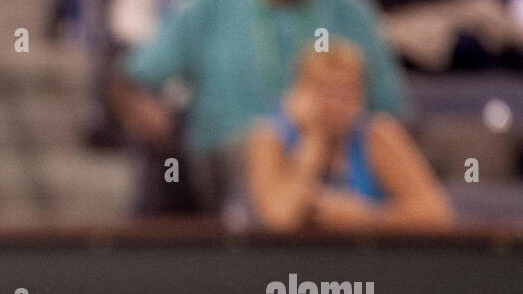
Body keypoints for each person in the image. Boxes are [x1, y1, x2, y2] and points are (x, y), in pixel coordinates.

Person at [115, 0, 410, 214]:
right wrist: (148, 112)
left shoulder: (349, 11)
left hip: (338, 147)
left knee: (384, 138)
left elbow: (389, 106)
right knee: (257, 148)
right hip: (227, 152)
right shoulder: (208, 8)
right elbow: (132, 79)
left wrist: (329, 124)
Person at [245, 38, 453, 230]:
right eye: (324, 91)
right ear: (299, 92)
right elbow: (280, 219)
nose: (336, 105)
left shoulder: (378, 135)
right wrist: (313, 143)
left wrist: (368, 217)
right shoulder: (268, 138)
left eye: (347, 92)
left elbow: (436, 215)